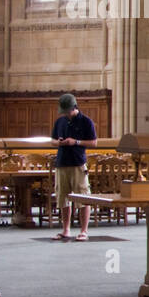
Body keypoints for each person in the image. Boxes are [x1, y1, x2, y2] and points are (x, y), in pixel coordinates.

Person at [51, 93, 97, 241]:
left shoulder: (86, 121)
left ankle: (84, 231)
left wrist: (75, 142)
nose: (65, 114)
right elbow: (52, 140)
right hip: (62, 163)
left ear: (74, 107)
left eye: (67, 111)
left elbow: (93, 143)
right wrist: (58, 142)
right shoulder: (60, 122)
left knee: (83, 196)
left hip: (78, 163)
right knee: (63, 196)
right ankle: (66, 230)